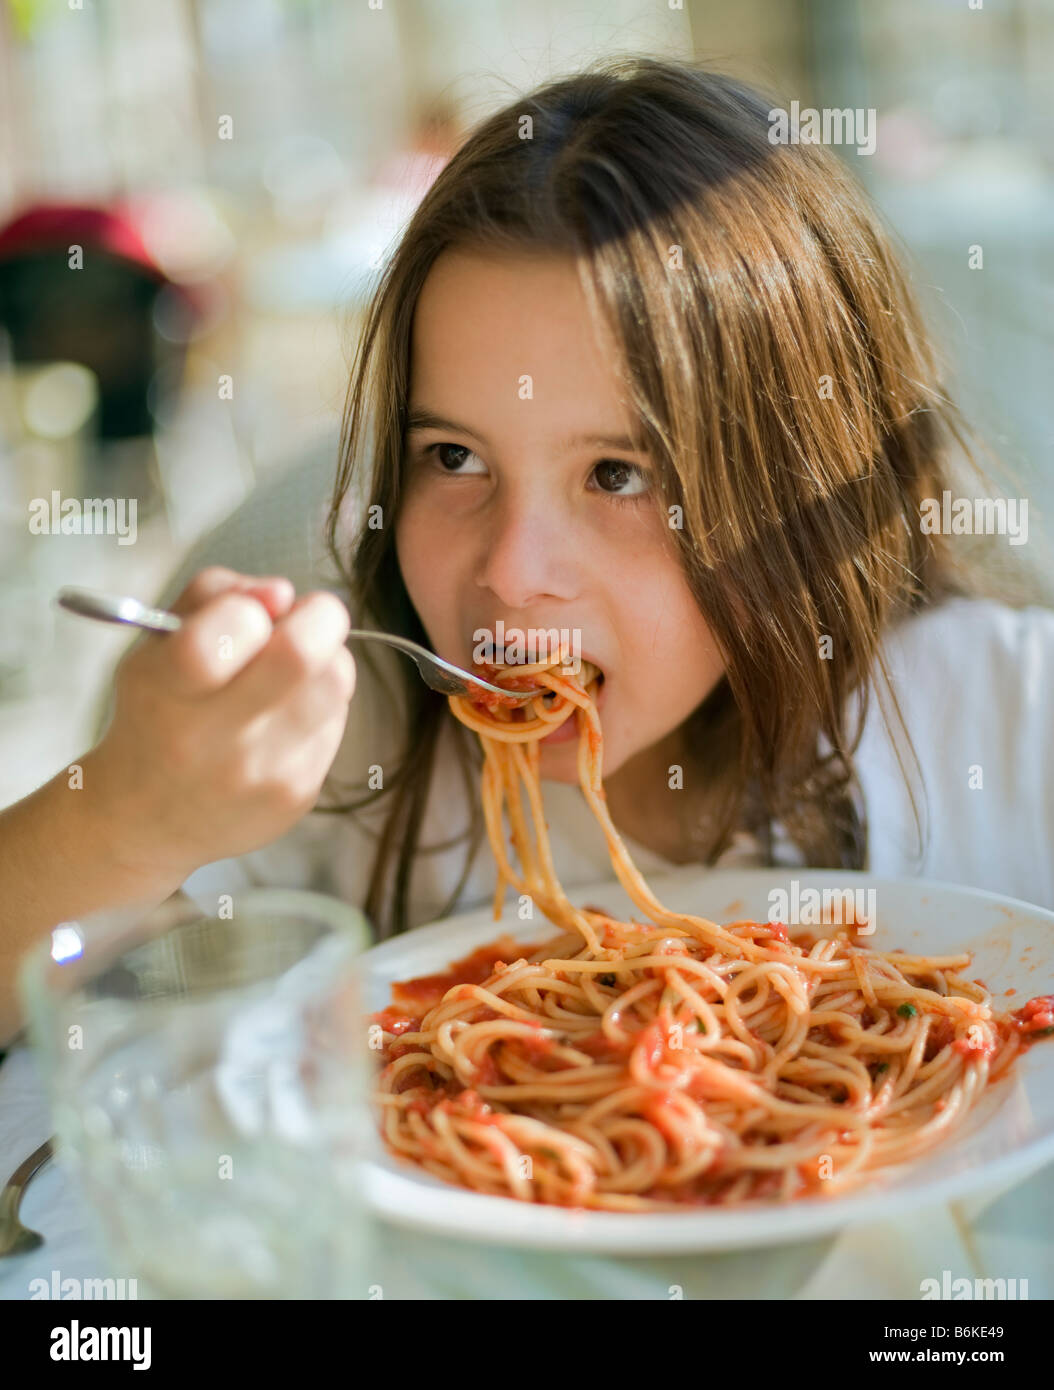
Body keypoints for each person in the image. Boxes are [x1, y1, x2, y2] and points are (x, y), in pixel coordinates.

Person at [1, 56, 1052, 1052]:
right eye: (453, 455)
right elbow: (66, 1031)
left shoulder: (1003, 716)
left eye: (617, 475)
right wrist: (129, 815)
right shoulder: (341, 738)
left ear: (800, 496)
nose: (511, 569)